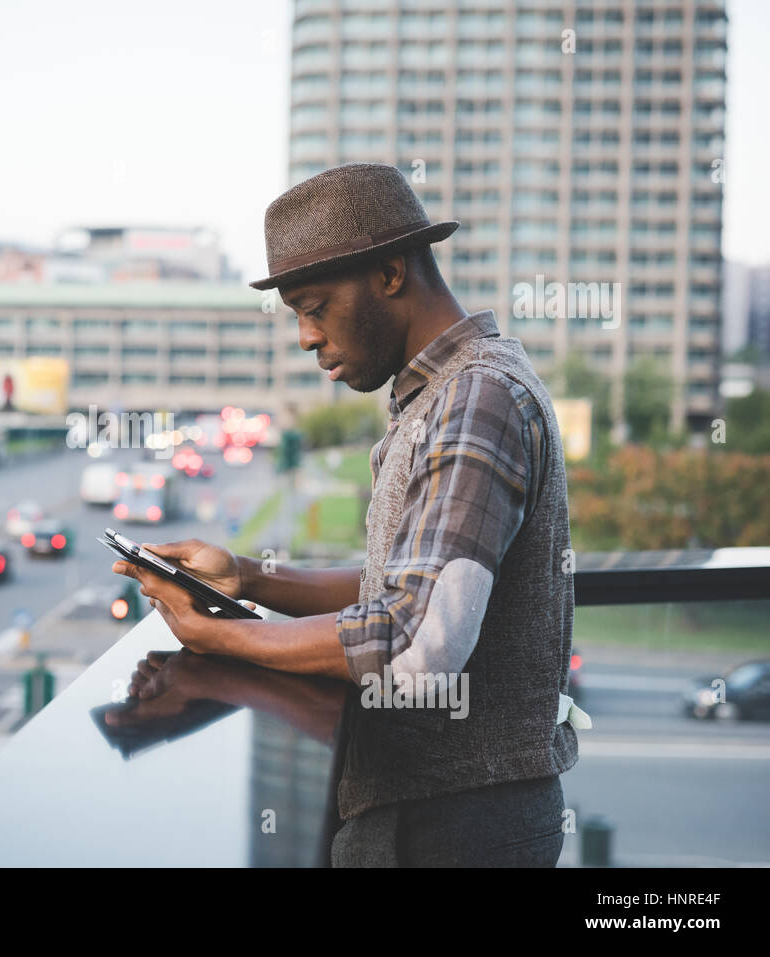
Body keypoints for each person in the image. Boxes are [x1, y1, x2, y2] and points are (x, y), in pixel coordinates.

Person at [111, 163, 583, 867]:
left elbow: (415, 643)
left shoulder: (476, 400)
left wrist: (220, 641)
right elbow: (403, 588)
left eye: (315, 306)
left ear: (391, 272)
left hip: (456, 827)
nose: (305, 336)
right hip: (444, 814)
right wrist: (244, 578)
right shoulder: (449, 395)